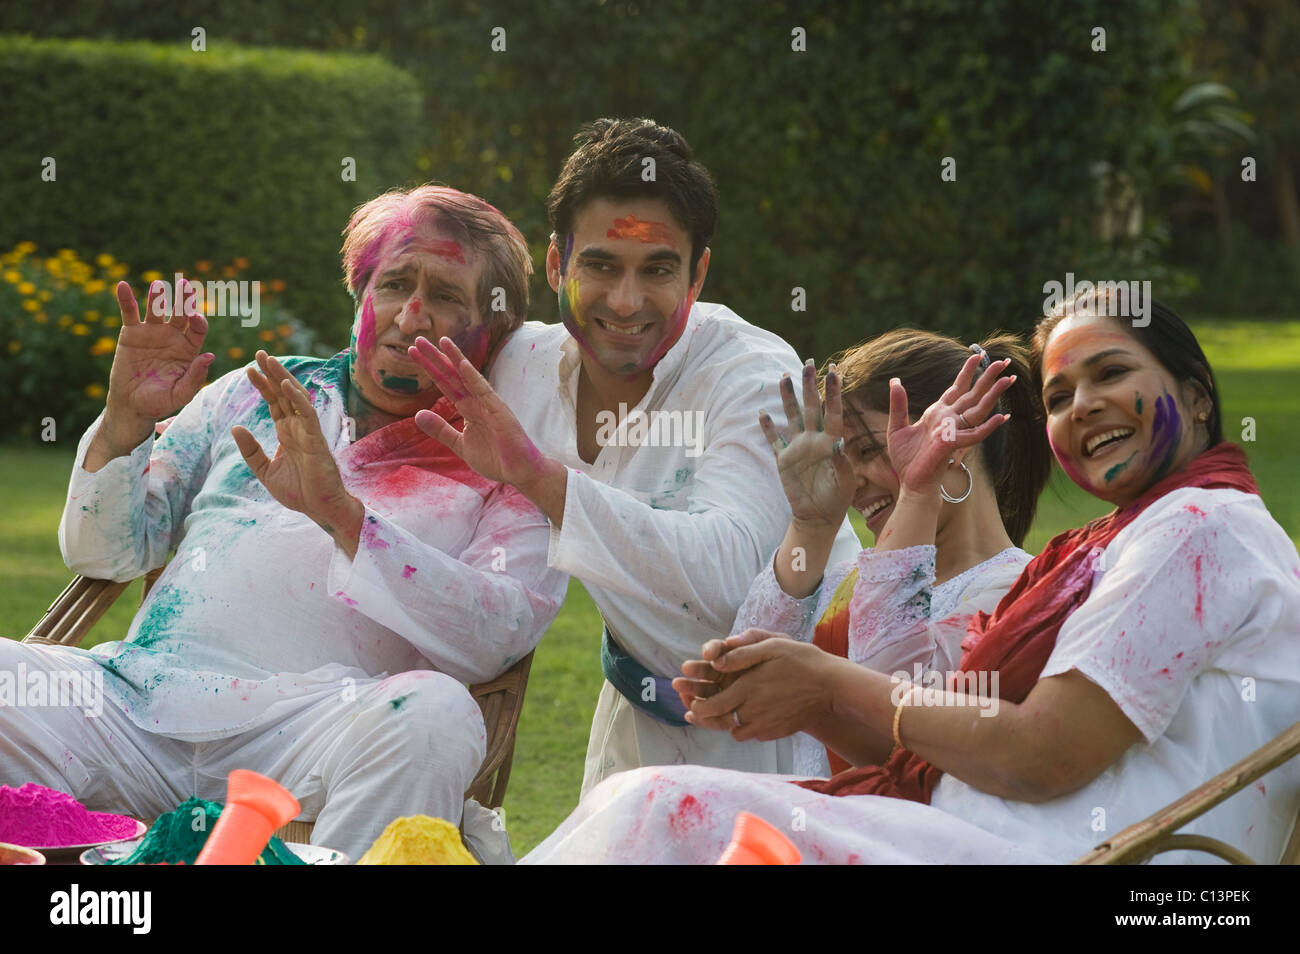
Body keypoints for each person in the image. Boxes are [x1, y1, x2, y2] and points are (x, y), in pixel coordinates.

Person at [522, 291, 1300, 864]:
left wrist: (825, 685)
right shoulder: (1115, 547)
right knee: (653, 805)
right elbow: (883, 733)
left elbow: (1037, 754)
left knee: (658, 808)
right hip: (978, 833)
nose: (1084, 405)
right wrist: (829, 526)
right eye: (1060, 396)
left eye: (1110, 374)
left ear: (1197, 396)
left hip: (1045, 850)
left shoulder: (1197, 528)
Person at [0, 185, 567, 859]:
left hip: (310, 734)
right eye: (393, 284)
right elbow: (106, 554)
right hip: (137, 707)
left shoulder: (513, 461)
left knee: (435, 716)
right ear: (361, 294)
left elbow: (496, 634)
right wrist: (125, 425)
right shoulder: (254, 390)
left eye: (445, 295)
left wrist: (344, 518)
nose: (411, 314)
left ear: (494, 328)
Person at [406, 117, 861, 791]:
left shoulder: (753, 375)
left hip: (805, 733)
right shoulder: (520, 369)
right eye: (599, 265)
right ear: (557, 264)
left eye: (657, 270)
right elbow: (379, 392)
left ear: (697, 274)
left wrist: (541, 479)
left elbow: (731, 584)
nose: (625, 302)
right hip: (639, 716)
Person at [677, 330, 1052, 779]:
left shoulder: (1016, 594)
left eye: (869, 451)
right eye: (842, 458)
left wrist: (917, 491)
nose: (850, 483)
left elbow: (895, 719)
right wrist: (811, 527)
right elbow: (744, 684)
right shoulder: (847, 582)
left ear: (958, 442)